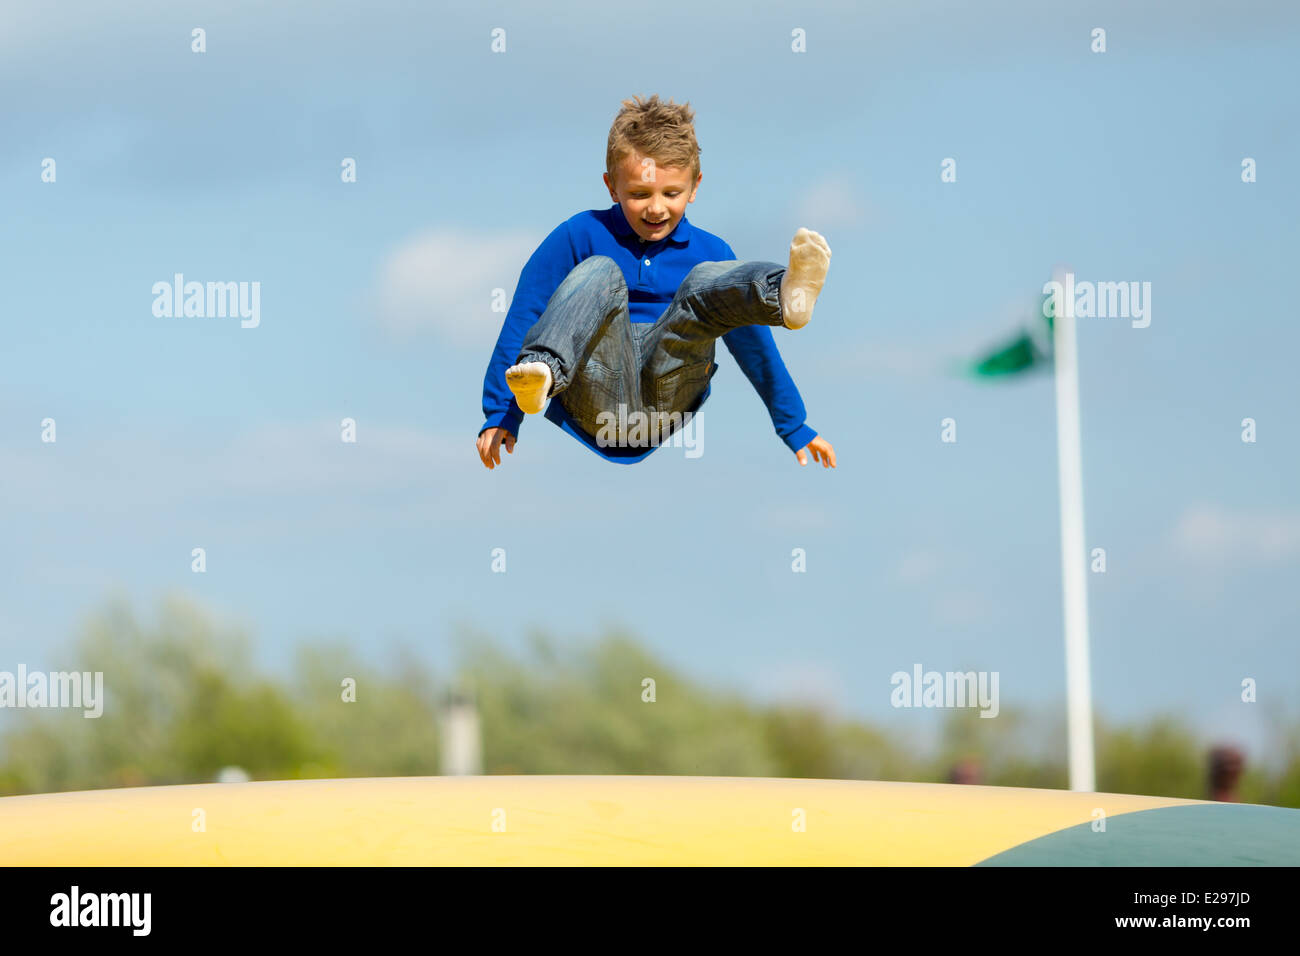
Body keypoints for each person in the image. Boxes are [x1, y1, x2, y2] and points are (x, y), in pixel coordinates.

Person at [476, 94, 836, 468]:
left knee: (706, 280)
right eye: (639, 194)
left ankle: (782, 294)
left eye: (671, 193)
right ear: (612, 186)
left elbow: (752, 344)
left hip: (669, 390)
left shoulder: (709, 250)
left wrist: (793, 423)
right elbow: (525, 312)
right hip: (597, 394)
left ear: (695, 186)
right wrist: (503, 413)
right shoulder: (578, 235)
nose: (656, 207)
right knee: (599, 270)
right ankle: (544, 370)